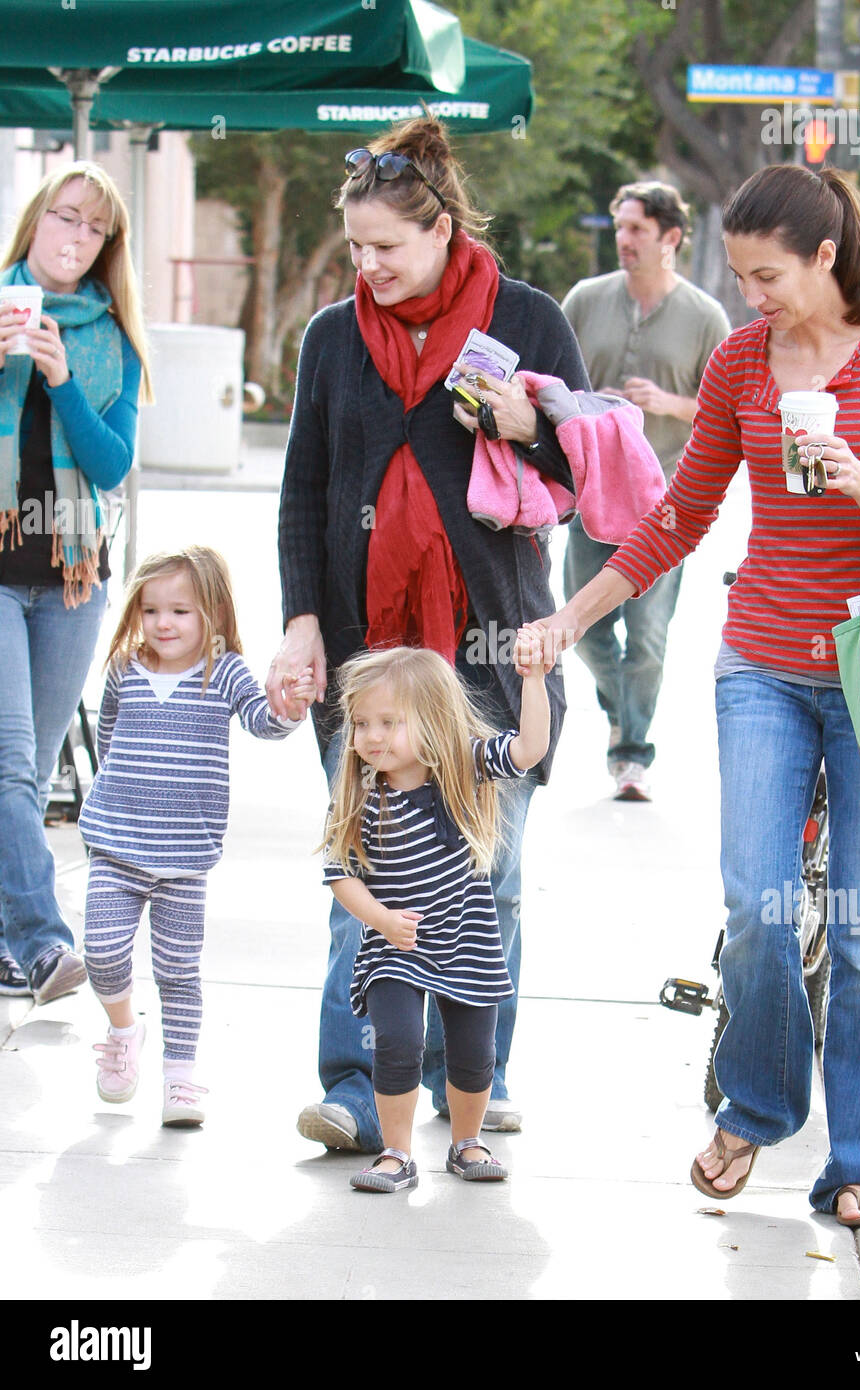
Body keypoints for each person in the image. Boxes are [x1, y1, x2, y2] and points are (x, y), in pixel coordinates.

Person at [529, 165, 860, 1228]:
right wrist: (569, 617)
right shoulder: (739, 361)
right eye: (739, 275)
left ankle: (855, 1164)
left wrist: (855, 477)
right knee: (757, 908)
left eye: (766, 275)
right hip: (761, 662)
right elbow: (677, 515)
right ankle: (759, 1102)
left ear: (823, 257)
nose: (750, 294)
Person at [267, 116, 588, 1152]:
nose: (366, 267)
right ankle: (358, 1088)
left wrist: (524, 427)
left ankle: (471, 1086)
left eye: (385, 249)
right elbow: (304, 492)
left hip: (494, 649)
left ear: (440, 228)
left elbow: (582, 482)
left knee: (485, 881)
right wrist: (302, 620)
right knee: (365, 875)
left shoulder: (529, 321)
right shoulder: (330, 337)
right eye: (354, 249)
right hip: (368, 660)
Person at [79, 547, 314, 1126]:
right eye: (152, 609)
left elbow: (264, 723)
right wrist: (115, 800)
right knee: (103, 953)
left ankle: (180, 1075)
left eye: (180, 611)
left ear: (211, 611)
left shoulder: (225, 670)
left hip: (184, 856)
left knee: (178, 970)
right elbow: (108, 738)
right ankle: (124, 1029)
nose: (164, 623)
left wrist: (288, 708)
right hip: (116, 844)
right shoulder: (124, 670)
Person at [0, 161, 152, 1004]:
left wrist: (61, 381)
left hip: (67, 580)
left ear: (106, 247)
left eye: (94, 229)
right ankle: (43, 943)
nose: (75, 236)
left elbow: (111, 464)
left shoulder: (112, 340)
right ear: (35, 222)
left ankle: (5, 938)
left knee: (19, 771)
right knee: (12, 768)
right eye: (64, 217)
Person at [323, 639, 549, 1192]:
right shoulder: (360, 794)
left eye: (388, 723)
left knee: (474, 1054)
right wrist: (379, 918)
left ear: (433, 720)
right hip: (394, 945)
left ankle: (466, 1144)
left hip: (467, 937)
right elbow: (339, 874)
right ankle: (397, 1154)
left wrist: (536, 680)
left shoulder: (462, 771)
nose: (371, 737)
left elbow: (529, 749)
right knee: (397, 1042)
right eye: (361, 724)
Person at [560, 182, 730, 801]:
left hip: (665, 503)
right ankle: (619, 711)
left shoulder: (706, 317)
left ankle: (631, 750)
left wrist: (668, 403)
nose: (623, 240)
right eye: (619, 227)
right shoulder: (585, 299)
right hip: (591, 492)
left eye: (636, 229)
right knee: (582, 626)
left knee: (649, 637)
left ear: (671, 238)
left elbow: (728, 413)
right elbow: (553, 378)